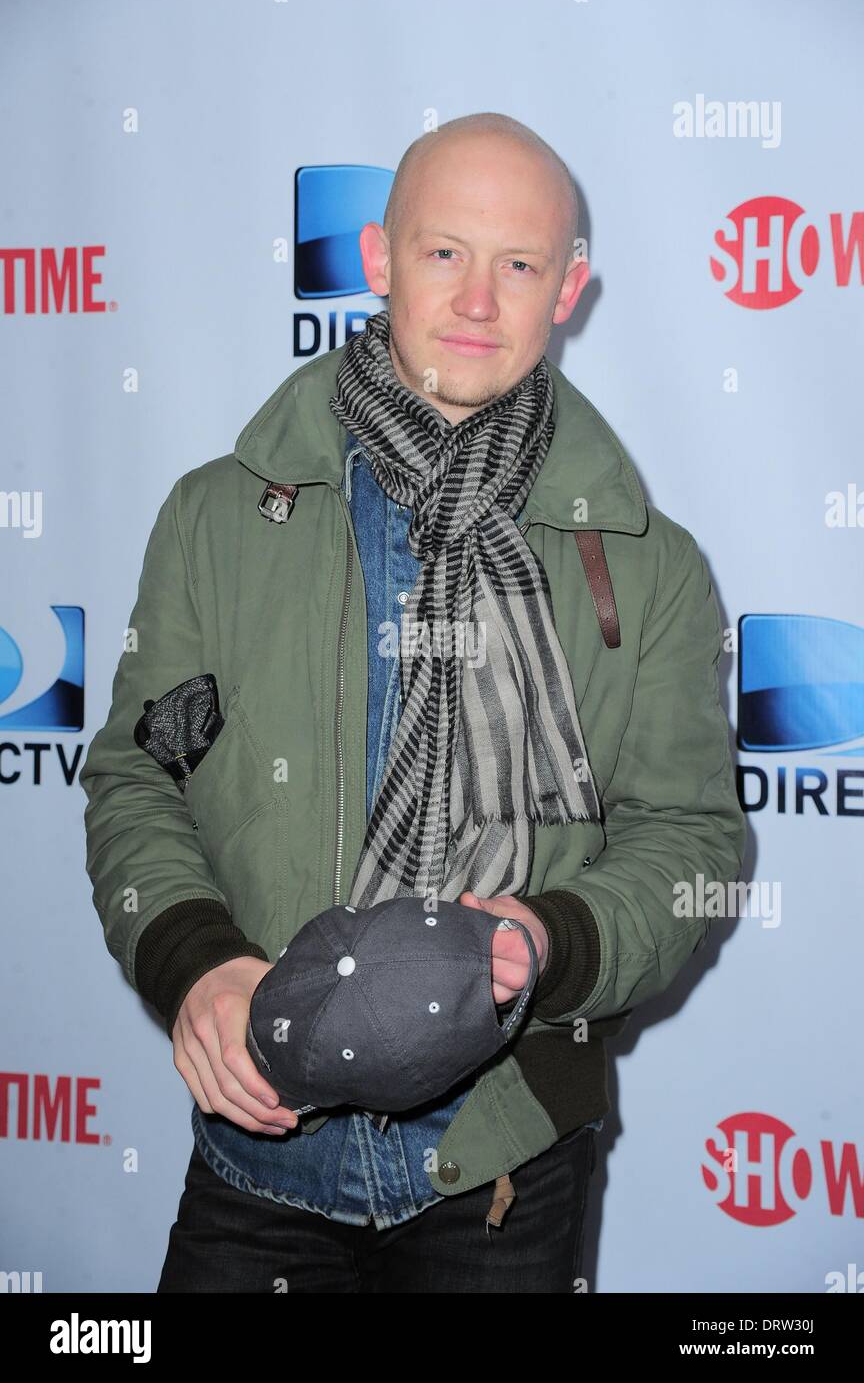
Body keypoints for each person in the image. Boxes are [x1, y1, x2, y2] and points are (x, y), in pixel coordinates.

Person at [79, 112, 746, 1293]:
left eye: (519, 264)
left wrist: (552, 939)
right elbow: (140, 772)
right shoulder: (216, 516)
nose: (478, 300)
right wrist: (197, 963)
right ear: (379, 260)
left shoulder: (651, 565)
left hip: (507, 1166)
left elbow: (690, 838)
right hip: (256, 1154)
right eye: (444, 253)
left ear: (569, 289)